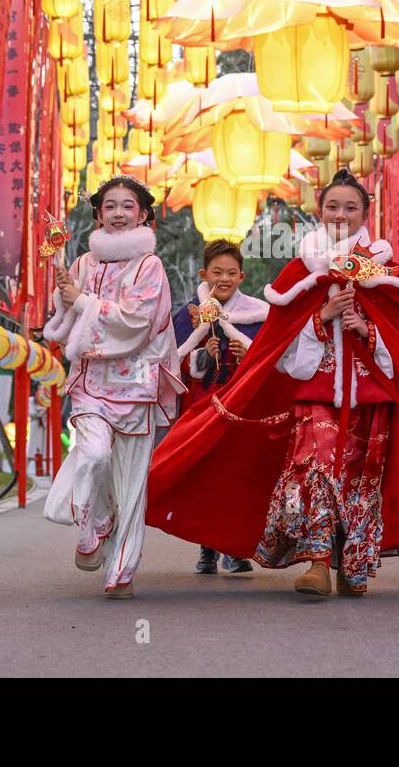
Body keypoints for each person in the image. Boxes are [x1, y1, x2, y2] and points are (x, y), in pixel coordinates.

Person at [147, 168, 399, 598]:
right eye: (332, 207)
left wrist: (366, 329)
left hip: (371, 398)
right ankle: (317, 561)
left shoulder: (389, 274)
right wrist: (323, 317)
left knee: (361, 480)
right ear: (319, 213)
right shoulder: (300, 273)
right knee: (313, 471)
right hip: (315, 392)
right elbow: (281, 352)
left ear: (365, 213)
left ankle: (353, 566)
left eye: (350, 207)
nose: (341, 214)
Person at [42, 176, 185, 599]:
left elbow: (137, 322)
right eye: (109, 206)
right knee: (93, 453)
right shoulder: (83, 263)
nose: (118, 213)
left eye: (127, 206)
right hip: (90, 382)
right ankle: (94, 523)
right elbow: (67, 322)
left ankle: (122, 571)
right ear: (99, 213)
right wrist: (63, 296)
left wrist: (81, 302)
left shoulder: (150, 266)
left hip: (137, 385)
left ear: (143, 215)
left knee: (132, 482)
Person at [171, 239, 269, 575]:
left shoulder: (257, 313)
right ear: (204, 273)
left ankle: (235, 548)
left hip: (244, 410)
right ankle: (207, 547)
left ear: (242, 276)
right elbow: (173, 363)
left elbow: (273, 361)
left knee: (238, 477)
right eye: (217, 272)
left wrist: (248, 358)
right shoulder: (190, 314)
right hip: (204, 408)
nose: (223, 279)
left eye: (231, 272)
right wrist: (202, 354)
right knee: (207, 476)